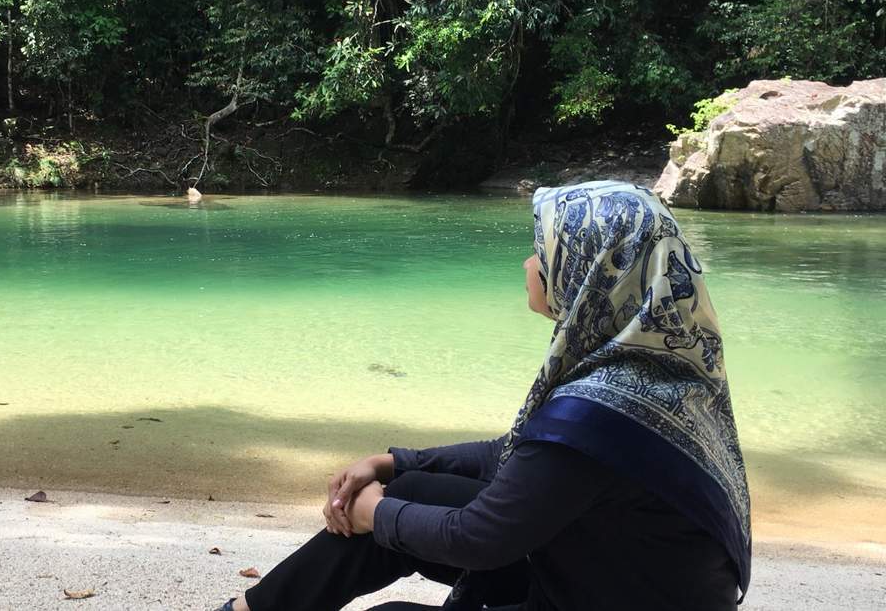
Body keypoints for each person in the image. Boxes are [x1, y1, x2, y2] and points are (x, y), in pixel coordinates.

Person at [213, 181, 753, 611]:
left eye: (543, 251)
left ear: (588, 269)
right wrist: (394, 463)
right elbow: (518, 460)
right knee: (418, 489)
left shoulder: (603, 410)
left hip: (599, 591)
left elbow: (480, 538)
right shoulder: (666, 367)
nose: (527, 265)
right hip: (604, 579)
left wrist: (373, 515)